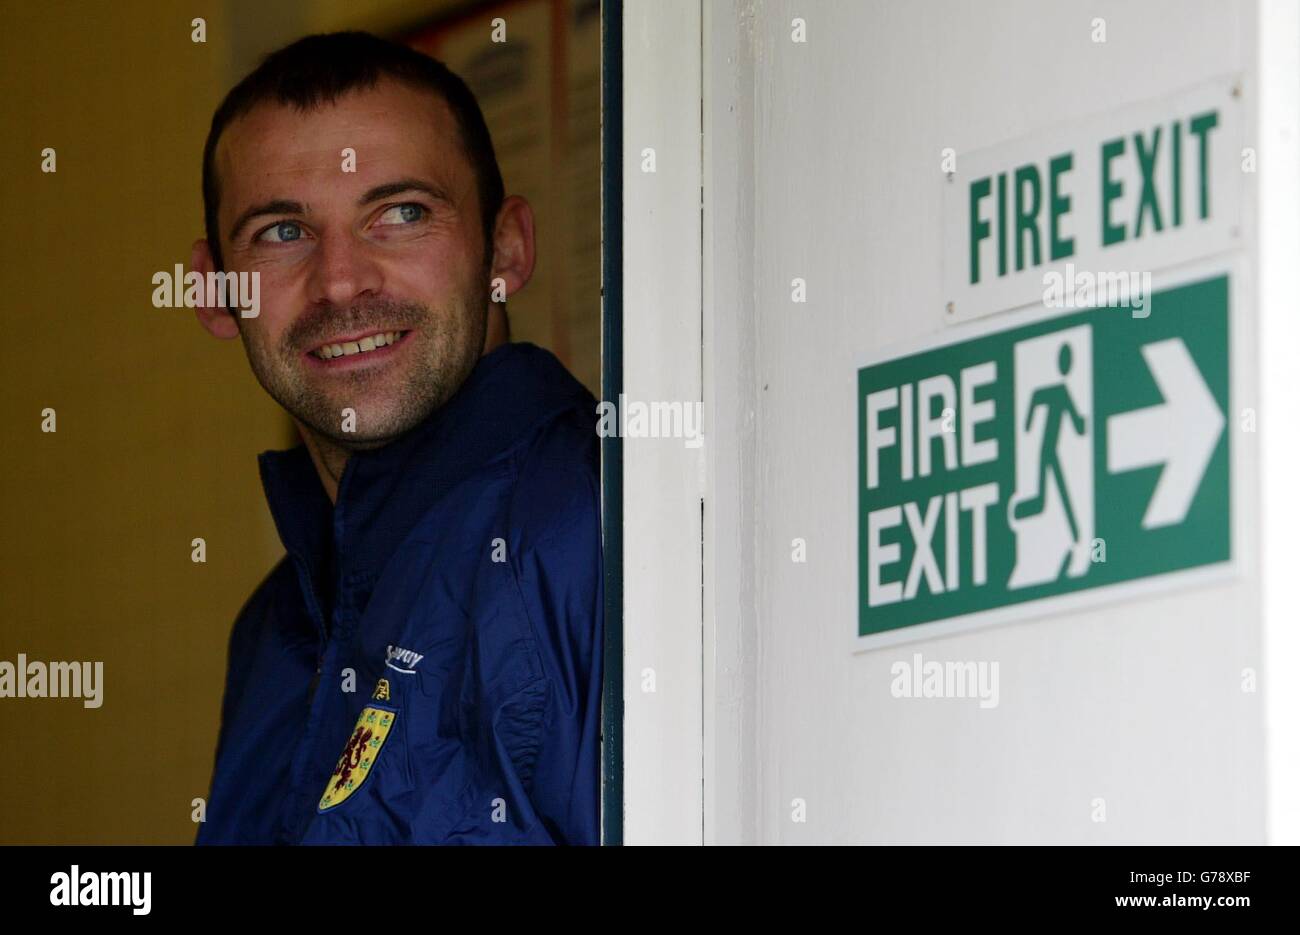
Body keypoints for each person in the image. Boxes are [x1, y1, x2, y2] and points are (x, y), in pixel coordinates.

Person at [189, 31, 602, 844]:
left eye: (401, 213)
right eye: (281, 232)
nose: (341, 280)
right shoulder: (273, 630)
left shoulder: (590, 529)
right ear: (212, 291)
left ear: (507, 247)